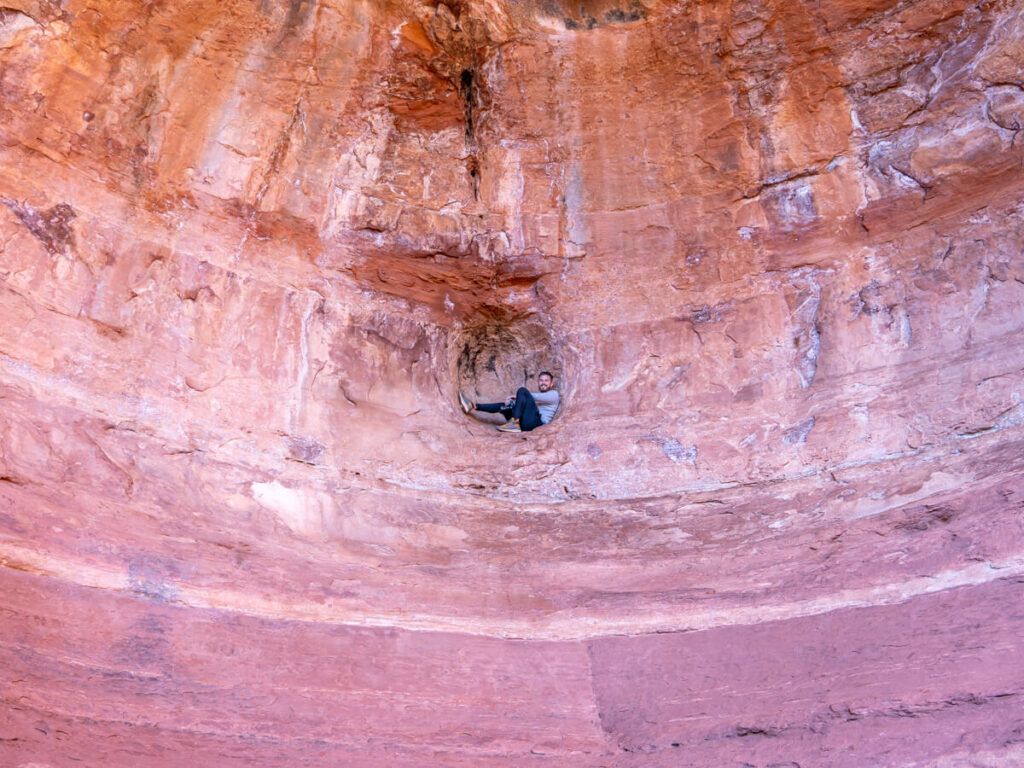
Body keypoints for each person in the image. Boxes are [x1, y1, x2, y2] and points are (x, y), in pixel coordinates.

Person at [459, 371, 560, 433]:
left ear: (551, 384)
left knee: (522, 390)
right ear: (538, 382)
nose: (543, 383)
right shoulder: (535, 401)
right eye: (541, 380)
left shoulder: (554, 395)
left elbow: (533, 396)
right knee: (507, 406)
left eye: (546, 381)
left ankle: (514, 423)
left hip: (537, 424)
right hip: (525, 424)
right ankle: (473, 406)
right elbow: (526, 403)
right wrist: (513, 403)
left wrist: (516, 397)